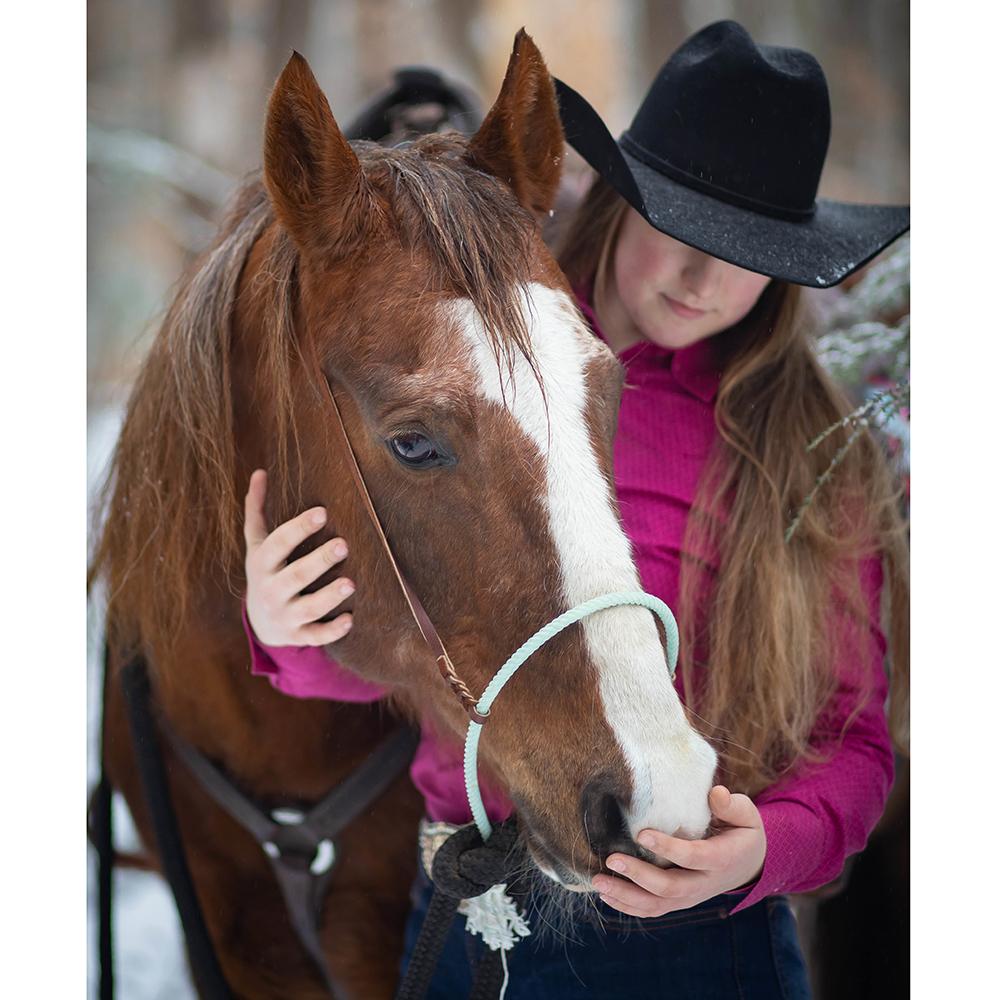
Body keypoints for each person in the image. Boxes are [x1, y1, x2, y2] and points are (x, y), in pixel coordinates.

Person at [241, 20, 908, 999]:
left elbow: (853, 736)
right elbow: (409, 653)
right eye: (677, 231)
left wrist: (767, 846)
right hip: (478, 910)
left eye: (749, 252)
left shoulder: (806, 451)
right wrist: (286, 629)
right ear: (620, 202)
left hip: (707, 936)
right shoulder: (484, 388)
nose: (702, 281)